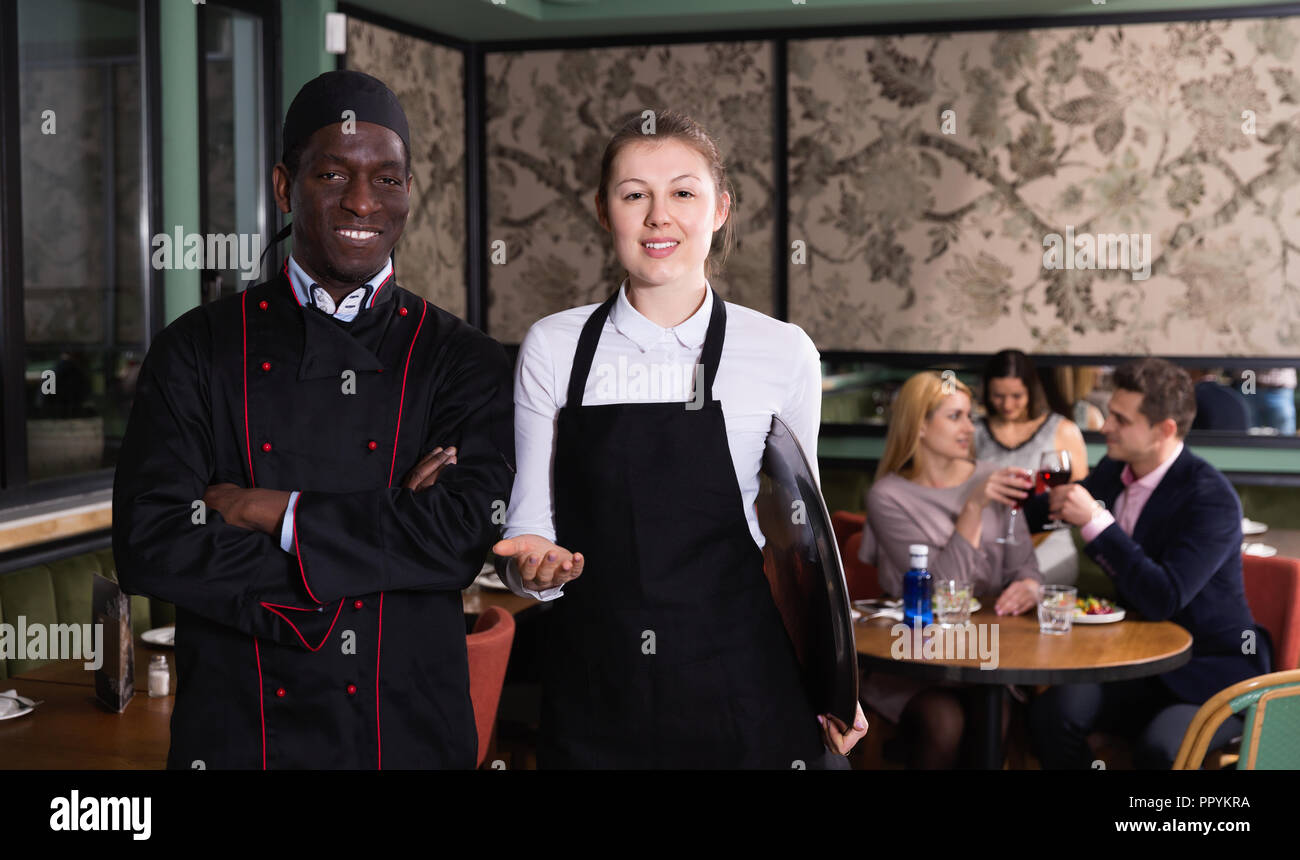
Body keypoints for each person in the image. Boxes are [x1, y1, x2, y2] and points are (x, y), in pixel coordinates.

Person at [112, 71, 515, 769]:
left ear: (409, 194)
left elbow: (457, 537)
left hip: (409, 731)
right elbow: (152, 540)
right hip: (241, 733)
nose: (362, 200)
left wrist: (272, 511)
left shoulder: (464, 359)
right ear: (282, 186)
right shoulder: (197, 349)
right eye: (333, 174)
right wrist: (381, 539)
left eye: (387, 180)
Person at [492, 109, 867, 768]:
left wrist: (837, 679)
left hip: (742, 684)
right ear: (605, 212)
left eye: (683, 192)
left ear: (720, 208)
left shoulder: (783, 352)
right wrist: (533, 570)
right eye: (634, 194)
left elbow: (799, 552)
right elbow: (528, 536)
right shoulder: (555, 347)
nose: (658, 215)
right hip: (597, 688)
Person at [1024, 358, 1273, 769]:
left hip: (1207, 672)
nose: (1106, 427)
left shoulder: (1210, 498)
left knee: (1160, 748)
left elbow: (1163, 597)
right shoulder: (1115, 470)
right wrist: (1007, 499)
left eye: (1121, 420)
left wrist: (1097, 522)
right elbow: (1057, 506)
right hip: (1136, 664)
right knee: (1052, 714)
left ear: (1164, 430)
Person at [860, 370, 1042, 768]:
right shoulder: (889, 496)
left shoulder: (995, 478)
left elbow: (1027, 567)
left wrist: (1030, 585)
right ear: (920, 426)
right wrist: (973, 508)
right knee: (943, 721)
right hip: (915, 660)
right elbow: (941, 592)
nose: (969, 428)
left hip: (989, 654)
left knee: (994, 712)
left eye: (970, 416)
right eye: (954, 416)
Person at [973, 349, 1088, 586]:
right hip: (989, 544)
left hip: (1049, 544)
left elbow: (1081, 494)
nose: (1007, 404)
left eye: (1016, 395)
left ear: (1031, 391)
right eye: (998, 395)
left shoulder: (1062, 429)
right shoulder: (972, 432)